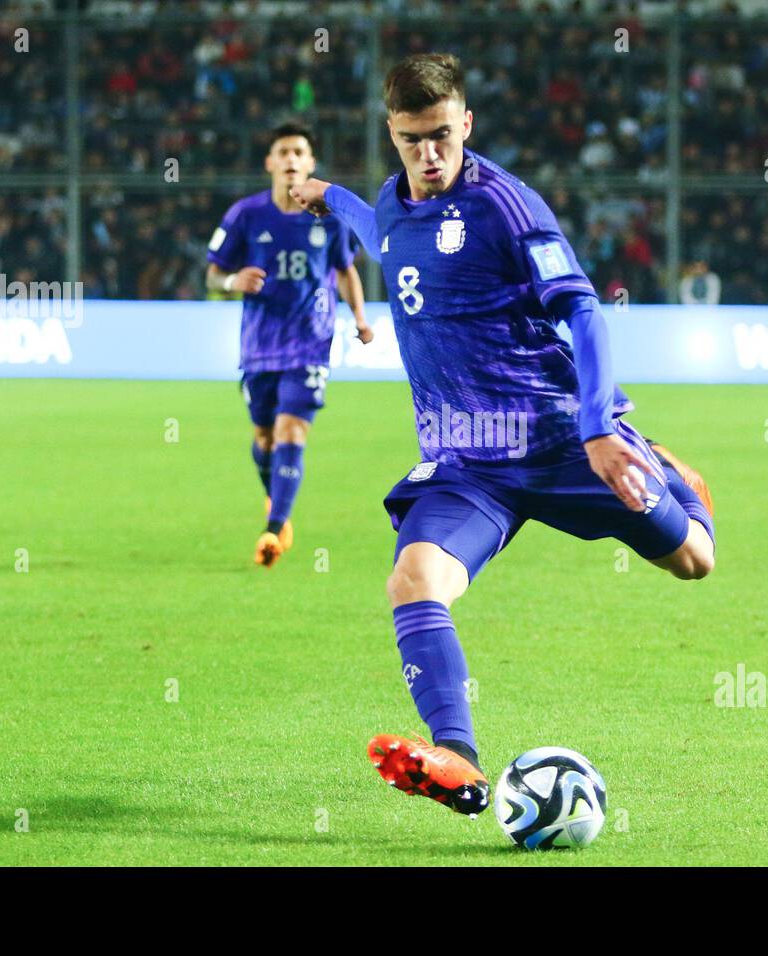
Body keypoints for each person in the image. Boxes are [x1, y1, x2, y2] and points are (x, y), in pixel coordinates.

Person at [292, 54, 715, 815]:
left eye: (444, 137)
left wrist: (594, 427)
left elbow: (583, 309)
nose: (430, 155)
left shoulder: (507, 206)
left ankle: (667, 469)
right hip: (464, 460)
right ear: (392, 133)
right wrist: (329, 197)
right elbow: (377, 228)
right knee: (414, 582)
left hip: (559, 440)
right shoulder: (393, 202)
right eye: (413, 139)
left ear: (468, 125)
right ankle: (457, 757)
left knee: (694, 560)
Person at [206, 121, 373, 568]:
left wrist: (358, 316)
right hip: (259, 346)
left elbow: (345, 271)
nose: (292, 160)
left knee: (290, 431)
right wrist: (231, 280)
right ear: (270, 163)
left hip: (312, 342)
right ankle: (274, 499)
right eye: (283, 152)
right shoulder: (245, 214)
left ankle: (275, 529)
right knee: (263, 437)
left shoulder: (330, 218)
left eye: (300, 152)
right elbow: (212, 276)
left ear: (311, 163)